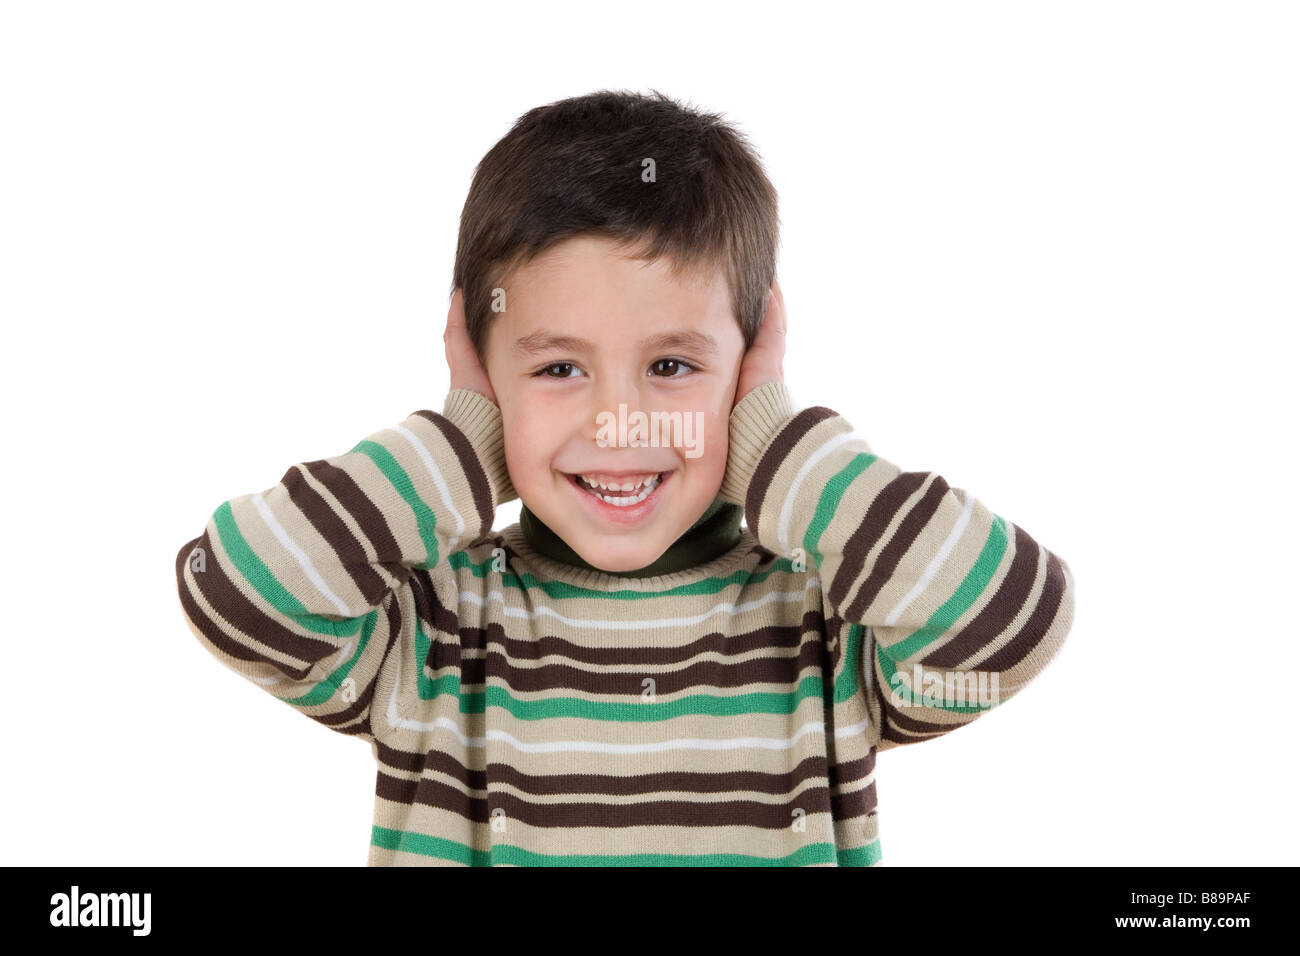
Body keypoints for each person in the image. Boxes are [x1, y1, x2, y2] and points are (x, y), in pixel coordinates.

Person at [174, 89, 1076, 866]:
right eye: (558, 370)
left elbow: (1013, 618)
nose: (618, 423)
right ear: (482, 373)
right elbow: (239, 592)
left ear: (751, 365)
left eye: (673, 368)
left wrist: (774, 448)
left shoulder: (824, 631)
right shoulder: (433, 633)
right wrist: (466, 444)